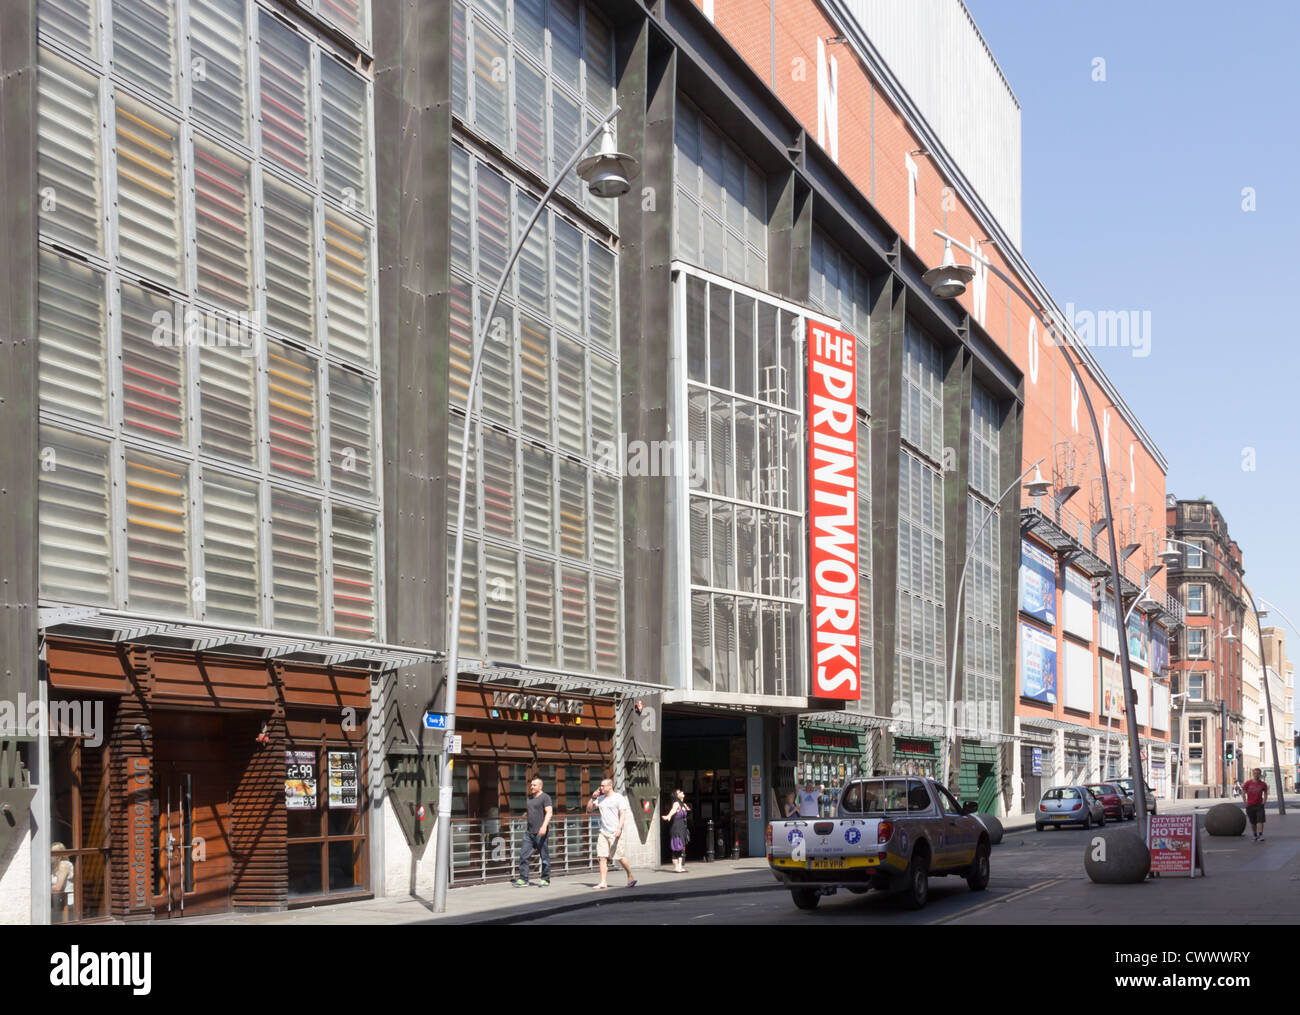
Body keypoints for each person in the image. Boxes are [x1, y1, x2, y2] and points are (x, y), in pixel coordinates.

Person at [586, 777, 636, 889]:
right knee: (602, 857)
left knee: (619, 856)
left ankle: (630, 874)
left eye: (603, 786)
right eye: (600, 786)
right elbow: (589, 809)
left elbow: (623, 814)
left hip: (615, 831)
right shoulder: (600, 798)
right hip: (603, 832)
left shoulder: (618, 798)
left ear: (610, 786)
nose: (601, 788)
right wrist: (592, 797)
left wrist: (619, 828)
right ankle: (603, 882)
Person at [513, 776, 553, 887]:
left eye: (534, 785)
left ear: (540, 786)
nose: (531, 787)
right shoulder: (529, 798)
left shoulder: (546, 797)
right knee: (523, 856)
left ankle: (545, 879)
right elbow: (532, 810)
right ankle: (523, 879)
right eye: (531, 785)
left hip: (541, 832)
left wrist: (544, 827)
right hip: (529, 833)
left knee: (544, 857)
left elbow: (549, 812)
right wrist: (524, 816)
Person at [661, 788, 691, 873]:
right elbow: (673, 810)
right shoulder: (676, 803)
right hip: (676, 828)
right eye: (679, 792)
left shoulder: (683, 804)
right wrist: (668, 816)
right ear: (676, 795)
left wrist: (687, 809)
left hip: (682, 828)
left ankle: (680, 866)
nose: (682, 792)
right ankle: (676, 867)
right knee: (676, 848)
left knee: (681, 848)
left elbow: (688, 812)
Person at [1241, 768, 1269, 841]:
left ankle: (1260, 835)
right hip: (1250, 805)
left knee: (1260, 820)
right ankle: (1254, 835)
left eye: (1258, 773)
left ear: (1260, 774)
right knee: (1253, 822)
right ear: (1252, 774)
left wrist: (1264, 802)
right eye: (1255, 773)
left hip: (1259, 805)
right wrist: (1245, 803)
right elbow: (1243, 793)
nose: (1256, 775)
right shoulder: (1248, 783)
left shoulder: (1263, 784)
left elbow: (1266, 793)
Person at [50, 844, 74, 923]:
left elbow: (58, 887)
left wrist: (42, 888)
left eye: (52, 853)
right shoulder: (56, 867)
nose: (50, 855)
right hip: (58, 902)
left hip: (67, 903)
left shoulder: (63, 865)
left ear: (58, 855)